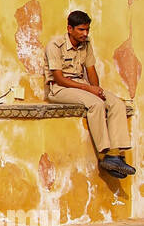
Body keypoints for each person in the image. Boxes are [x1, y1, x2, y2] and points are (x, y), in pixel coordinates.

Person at [44, 10, 135, 177]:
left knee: (116, 103)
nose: (85, 34)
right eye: (81, 30)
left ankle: (115, 155)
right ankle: (104, 153)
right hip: (59, 88)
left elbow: (91, 70)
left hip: (81, 85)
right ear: (70, 29)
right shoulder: (55, 45)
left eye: (87, 30)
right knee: (96, 104)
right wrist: (91, 91)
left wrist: (98, 89)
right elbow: (59, 79)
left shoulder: (86, 43)